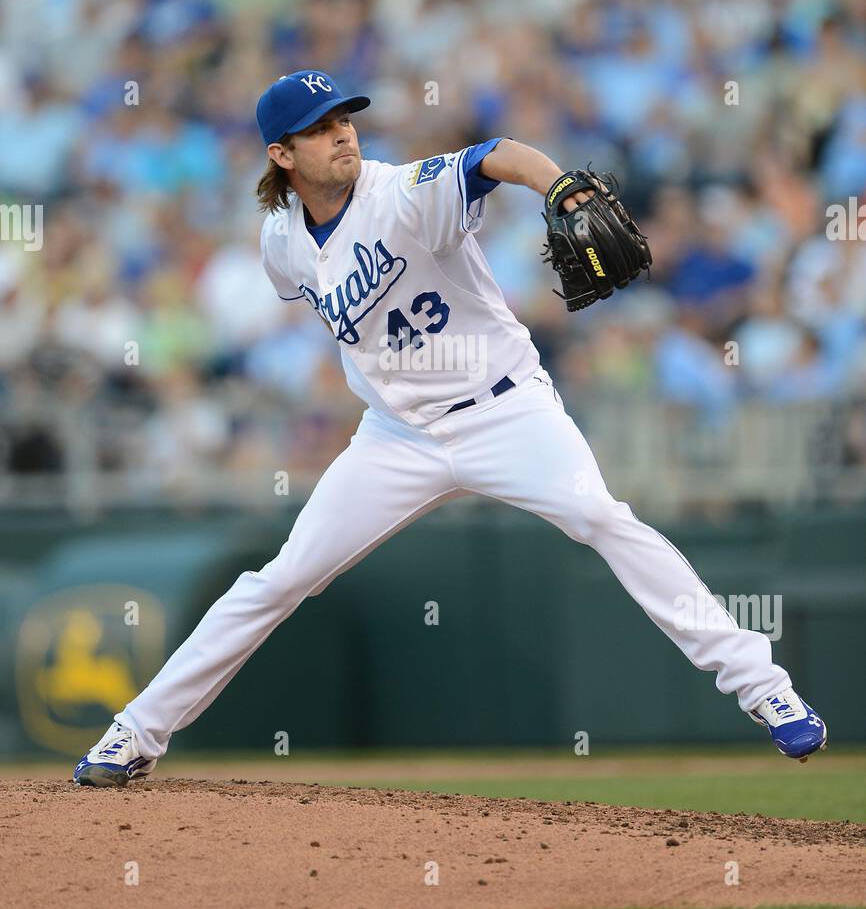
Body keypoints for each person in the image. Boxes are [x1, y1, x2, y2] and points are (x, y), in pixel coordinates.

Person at [73, 70, 827, 786]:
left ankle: (765, 687)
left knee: (603, 517)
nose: (341, 135)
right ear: (281, 154)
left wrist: (558, 184)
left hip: (506, 409)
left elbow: (495, 156)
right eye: (318, 128)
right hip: (395, 438)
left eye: (343, 120)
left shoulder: (402, 191)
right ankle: (135, 733)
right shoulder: (281, 241)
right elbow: (316, 295)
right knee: (282, 578)